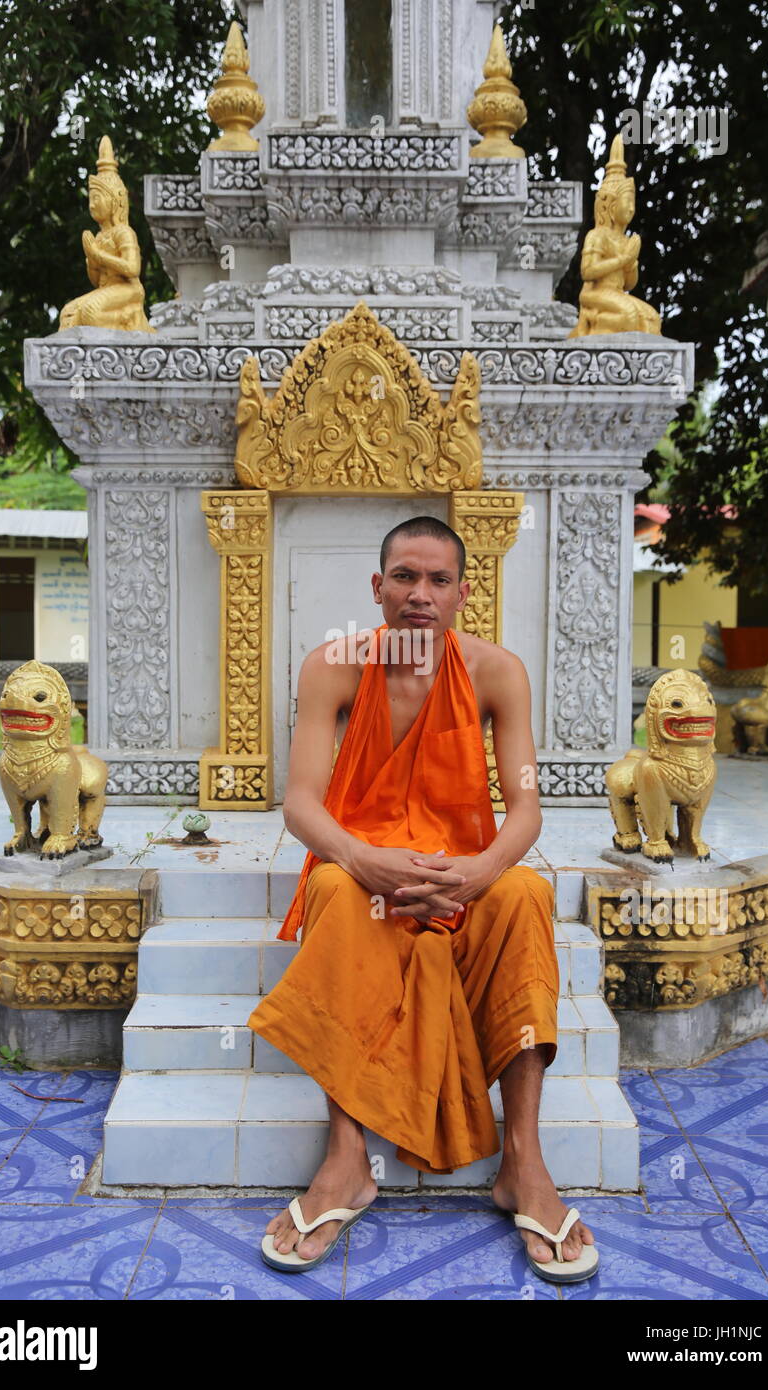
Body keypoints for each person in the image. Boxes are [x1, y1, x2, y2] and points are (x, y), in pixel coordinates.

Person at [248, 516, 598, 1283]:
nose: (420, 594)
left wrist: (480, 872)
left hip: (461, 869)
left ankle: (524, 1163)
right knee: (335, 891)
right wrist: (360, 856)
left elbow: (527, 807)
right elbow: (302, 803)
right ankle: (347, 1158)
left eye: (439, 580)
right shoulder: (332, 668)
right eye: (404, 577)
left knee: (526, 894)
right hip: (366, 861)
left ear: (464, 594)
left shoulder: (499, 673)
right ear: (378, 588)